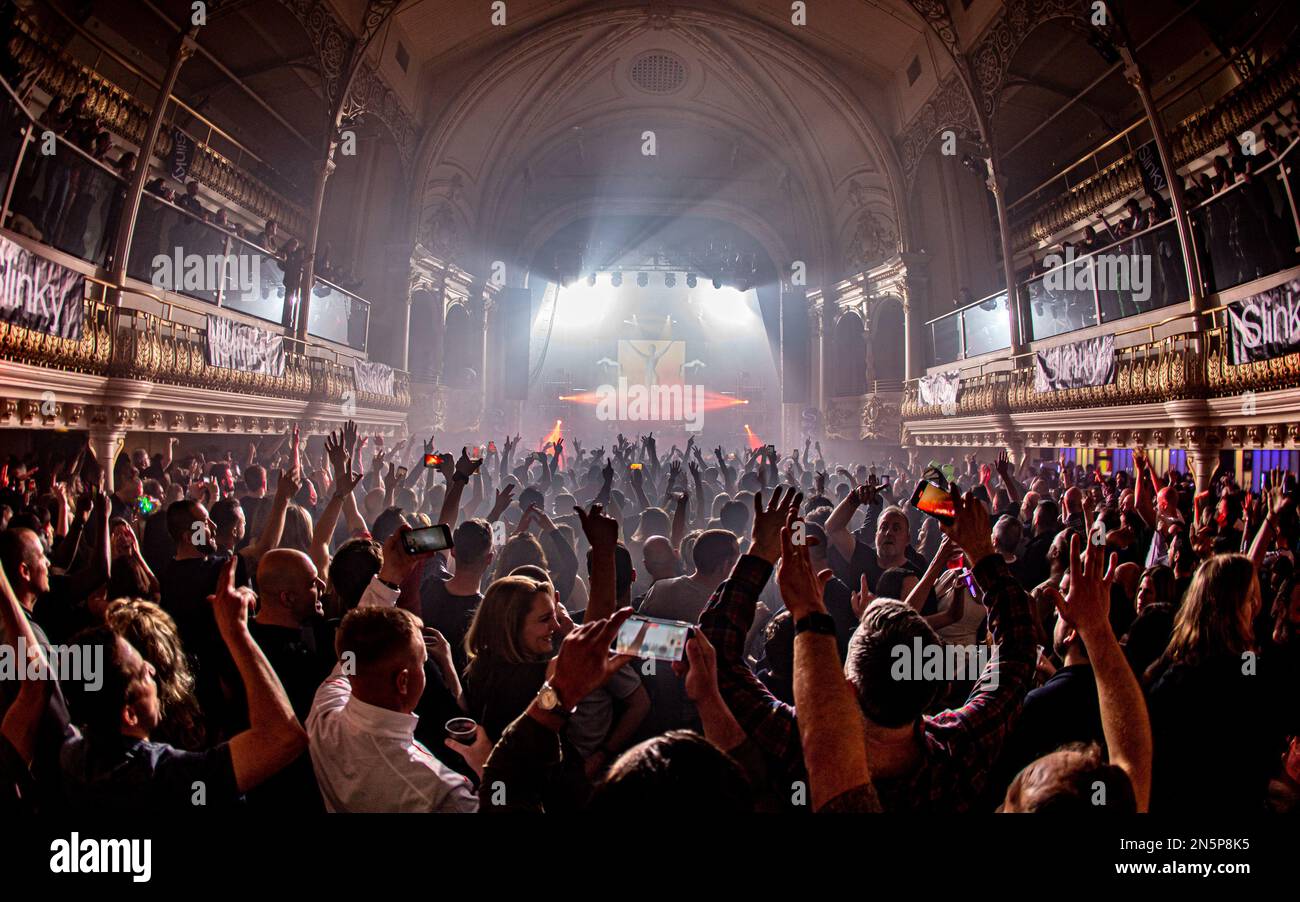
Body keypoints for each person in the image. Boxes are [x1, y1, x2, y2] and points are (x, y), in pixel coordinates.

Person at [699, 487, 1036, 811]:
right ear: (935, 687)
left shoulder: (807, 747)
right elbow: (1018, 652)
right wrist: (981, 550)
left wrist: (760, 554)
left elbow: (716, 654)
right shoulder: (959, 750)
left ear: (849, 686)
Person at [60, 558, 306, 811]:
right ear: (129, 713)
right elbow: (284, 737)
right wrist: (236, 631)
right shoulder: (164, 776)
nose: (151, 669)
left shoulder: (71, 754)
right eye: (143, 673)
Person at [306, 604, 483, 813]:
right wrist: (491, 771)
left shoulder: (325, 705)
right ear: (403, 681)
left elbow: (347, 666)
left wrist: (387, 584)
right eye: (423, 663)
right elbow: (500, 805)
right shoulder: (439, 792)